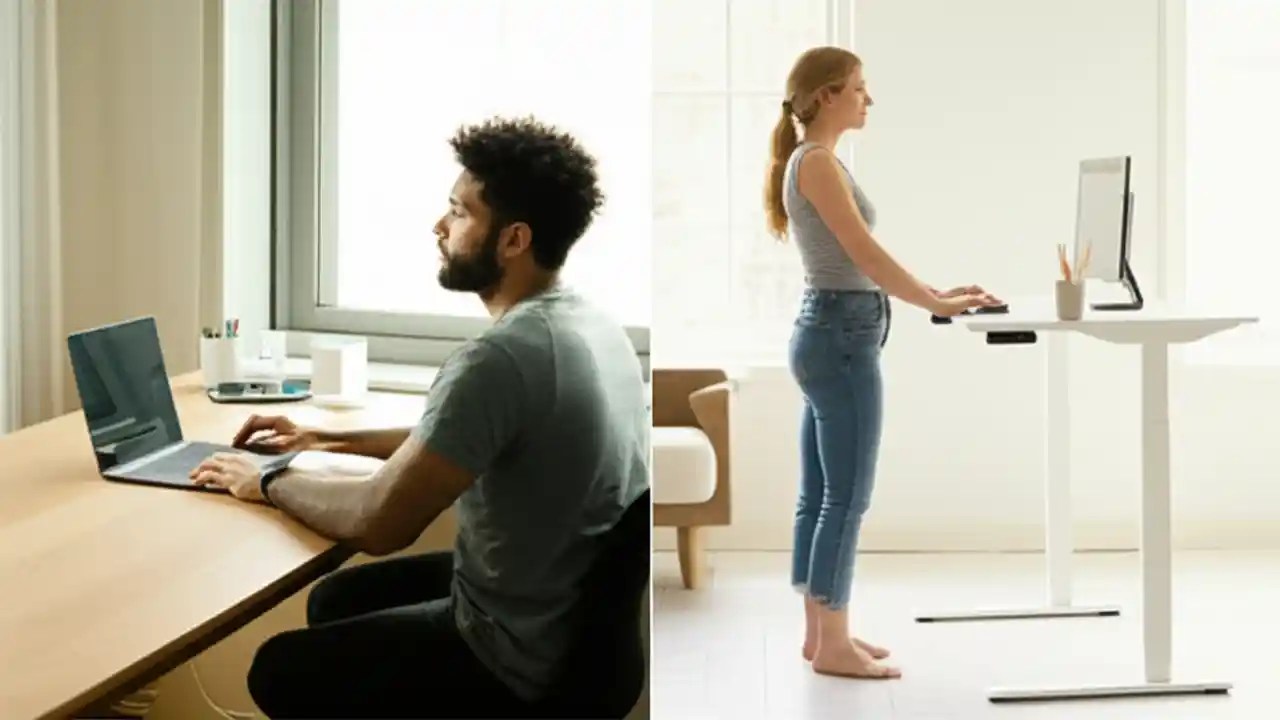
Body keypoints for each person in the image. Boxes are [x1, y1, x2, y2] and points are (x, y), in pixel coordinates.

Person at [189, 116, 650, 718]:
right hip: (572, 623)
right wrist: (328, 439)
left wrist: (268, 481)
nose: (440, 226)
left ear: (513, 240)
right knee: (336, 599)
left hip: (513, 656)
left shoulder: (499, 357)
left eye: (459, 213)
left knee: (280, 668)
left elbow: (378, 523)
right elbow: (469, 439)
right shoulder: (586, 323)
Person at [763, 47, 1001, 680]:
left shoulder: (812, 161)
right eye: (861, 89)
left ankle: (823, 634)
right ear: (827, 95)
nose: (869, 100)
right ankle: (832, 642)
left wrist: (936, 296)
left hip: (829, 332)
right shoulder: (815, 163)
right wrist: (934, 301)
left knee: (820, 495)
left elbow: (861, 256)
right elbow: (863, 252)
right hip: (840, 337)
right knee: (846, 497)